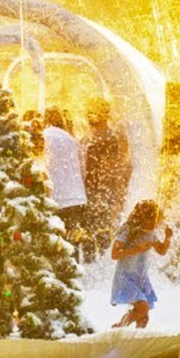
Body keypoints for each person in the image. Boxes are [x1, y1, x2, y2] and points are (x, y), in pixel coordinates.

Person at [82, 97, 132, 259]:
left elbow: (112, 168)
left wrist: (110, 194)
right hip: (95, 190)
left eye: (91, 113)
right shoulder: (96, 136)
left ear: (100, 115)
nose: (88, 116)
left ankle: (98, 267)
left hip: (100, 191)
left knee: (98, 232)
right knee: (93, 232)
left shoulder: (108, 138)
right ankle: (94, 264)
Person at [110, 199, 172, 329]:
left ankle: (135, 338)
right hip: (125, 277)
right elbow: (115, 254)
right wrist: (138, 248)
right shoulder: (128, 230)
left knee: (144, 316)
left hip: (141, 277)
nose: (156, 224)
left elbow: (161, 251)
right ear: (143, 217)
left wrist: (167, 238)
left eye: (158, 221)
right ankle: (120, 327)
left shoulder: (150, 233)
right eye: (154, 220)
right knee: (142, 307)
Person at [41, 107, 87, 242]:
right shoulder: (70, 139)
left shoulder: (44, 136)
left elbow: (44, 165)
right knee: (73, 241)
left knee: (57, 244)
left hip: (57, 197)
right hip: (76, 197)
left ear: (46, 119)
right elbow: (82, 167)